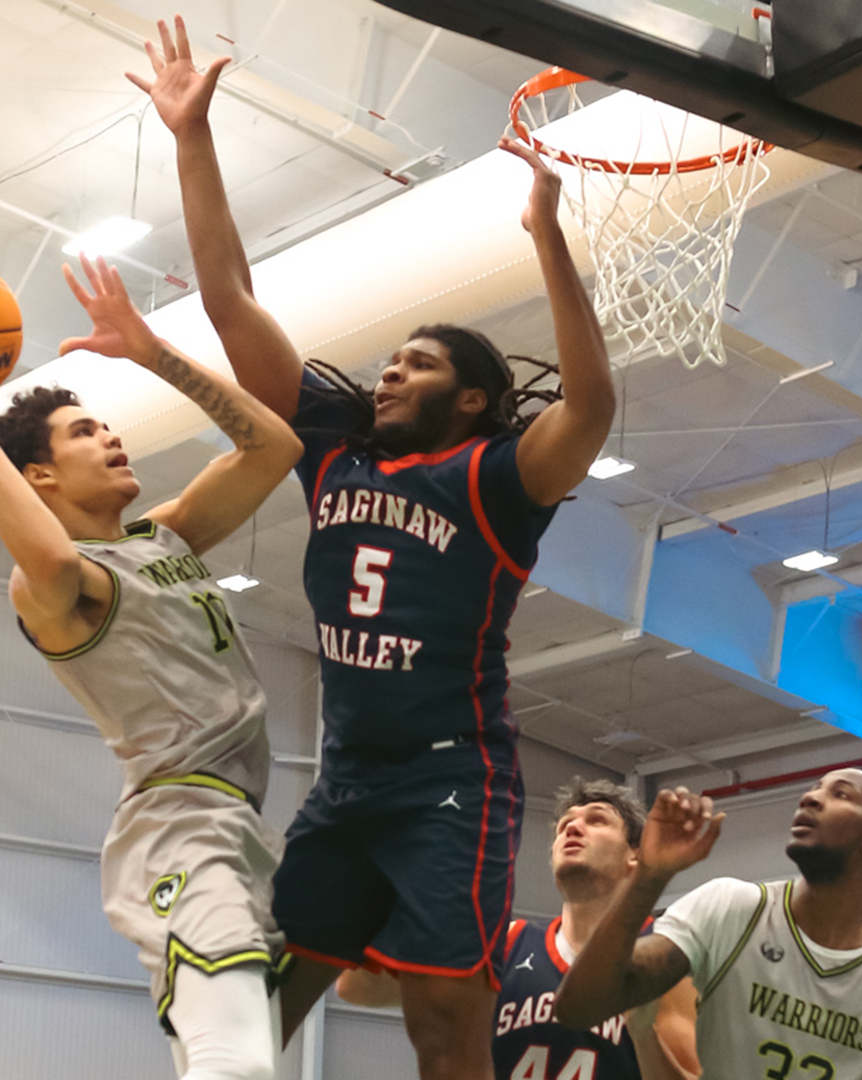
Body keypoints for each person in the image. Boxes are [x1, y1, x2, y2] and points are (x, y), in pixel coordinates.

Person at [132, 16, 618, 1080]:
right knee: (265, 999)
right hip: (348, 776)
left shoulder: (497, 478)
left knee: (443, 1023)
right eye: (389, 362)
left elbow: (590, 404)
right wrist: (190, 137)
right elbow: (229, 301)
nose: (389, 374)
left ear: (475, 397)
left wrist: (546, 235)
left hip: (454, 776)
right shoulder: (332, 450)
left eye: (418, 364)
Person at [0, 255, 302, 1080]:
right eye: (83, 432)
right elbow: (46, 557)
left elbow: (274, 444)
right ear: (39, 476)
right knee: (237, 1063)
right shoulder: (60, 585)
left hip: (233, 822)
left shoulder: (163, 538)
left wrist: (149, 351)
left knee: (228, 1059)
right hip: (181, 825)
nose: (110, 435)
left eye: (105, 425)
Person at [557, 769, 862, 1080]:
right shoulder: (730, 907)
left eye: (840, 794)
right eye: (815, 788)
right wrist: (649, 877)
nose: (811, 797)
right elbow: (579, 1008)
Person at [335, 778, 701, 1080]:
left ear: (635, 854)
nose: (573, 827)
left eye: (597, 820)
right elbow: (357, 987)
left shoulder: (664, 954)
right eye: (564, 825)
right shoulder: (504, 943)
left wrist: (641, 1032)